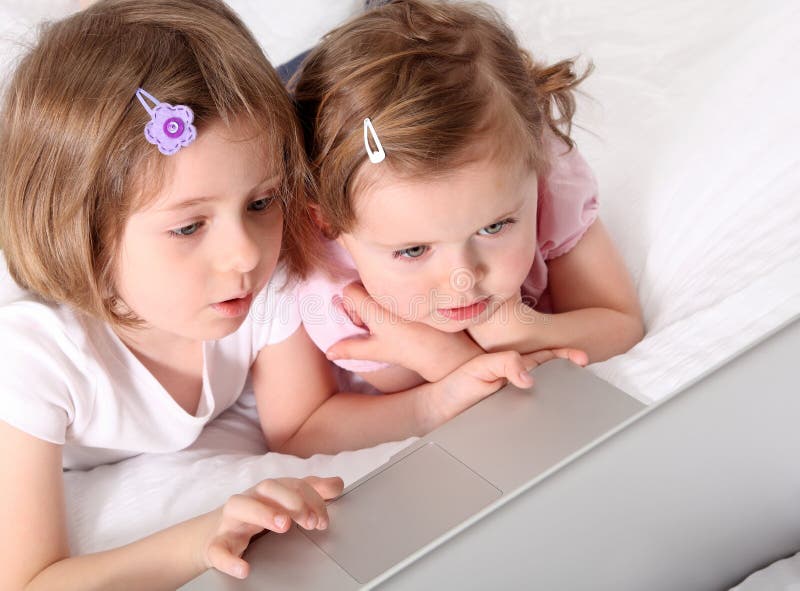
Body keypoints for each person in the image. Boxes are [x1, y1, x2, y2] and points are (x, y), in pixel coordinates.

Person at [0, 0, 345, 587]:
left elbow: (304, 425)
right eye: (189, 227)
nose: (246, 253)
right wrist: (202, 534)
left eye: (261, 202)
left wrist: (438, 398)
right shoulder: (34, 359)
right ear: (84, 233)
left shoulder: (260, 280)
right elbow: (28, 579)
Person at [288, 0, 645, 394]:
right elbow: (432, 398)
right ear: (329, 223)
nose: (462, 280)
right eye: (413, 251)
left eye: (493, 227)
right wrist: (438, 356)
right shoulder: (338, 290)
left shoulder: (547, 182)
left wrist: (521, 330)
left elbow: (621, 326)